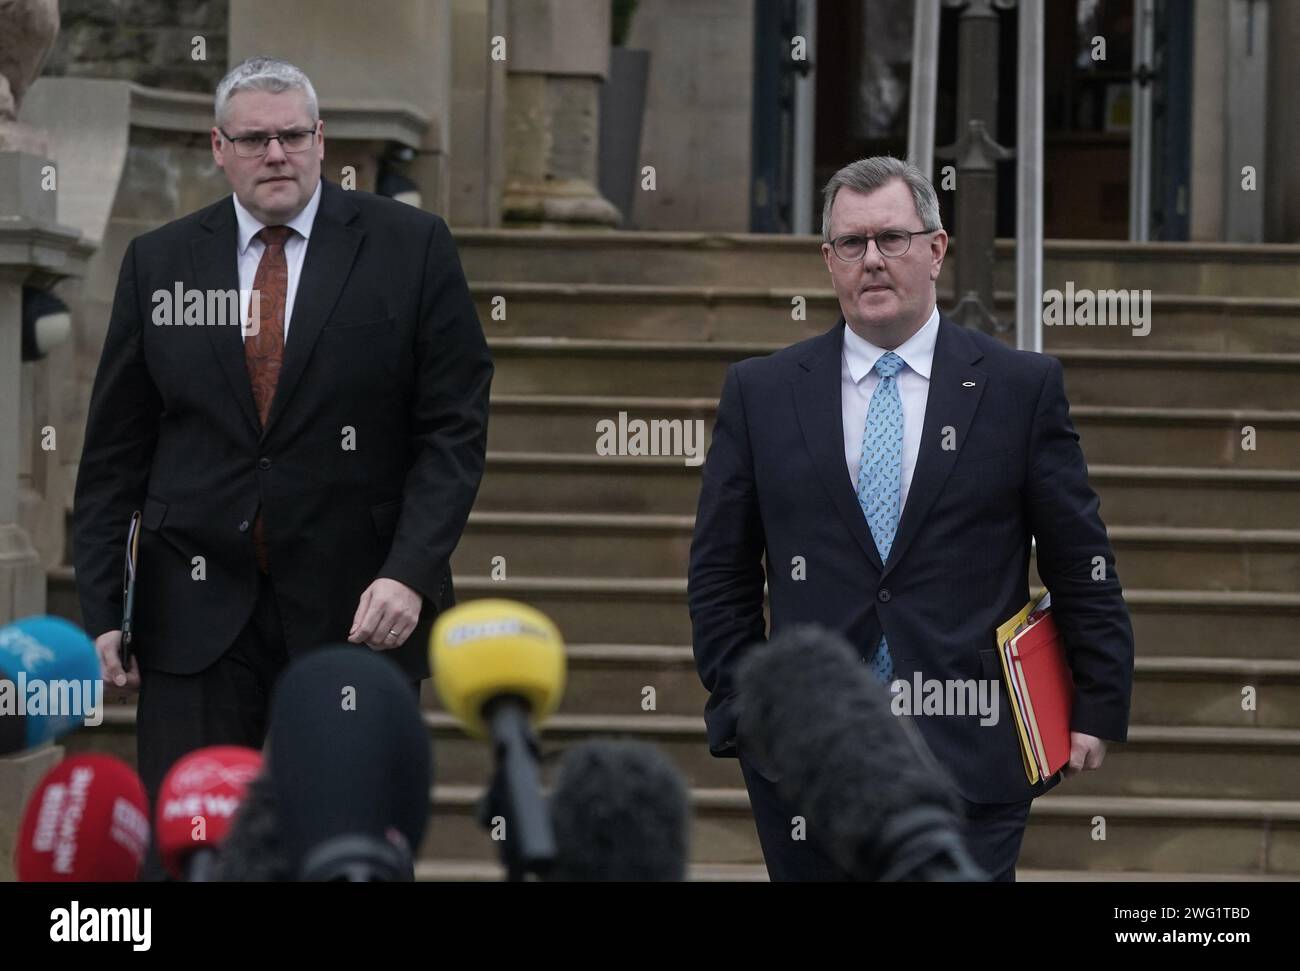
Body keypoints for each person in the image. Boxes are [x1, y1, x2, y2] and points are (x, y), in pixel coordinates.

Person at [72, 56, 491, 876]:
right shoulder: (159, 263)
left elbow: (453, 430)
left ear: (320, 140)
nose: (277, 154)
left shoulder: (410, 247)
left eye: (294, 135)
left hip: (357, 608)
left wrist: (410, 571)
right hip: (191, 615)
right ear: (219, 149)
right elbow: (113, 456)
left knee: (349, 851)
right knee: (193, 852)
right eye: (256, 138)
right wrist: (102, 608)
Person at [688, 156, 1134, 881]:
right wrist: (746, 706)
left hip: (973, 748)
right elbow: (719, 571)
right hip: (808, 761)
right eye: (850, 244)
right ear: (826, 260)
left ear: (936, 249)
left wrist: (1097, 699)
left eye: (892, 238)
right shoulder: (761, 393)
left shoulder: (1020, 389)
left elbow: (1079, 556)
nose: (871, 261)